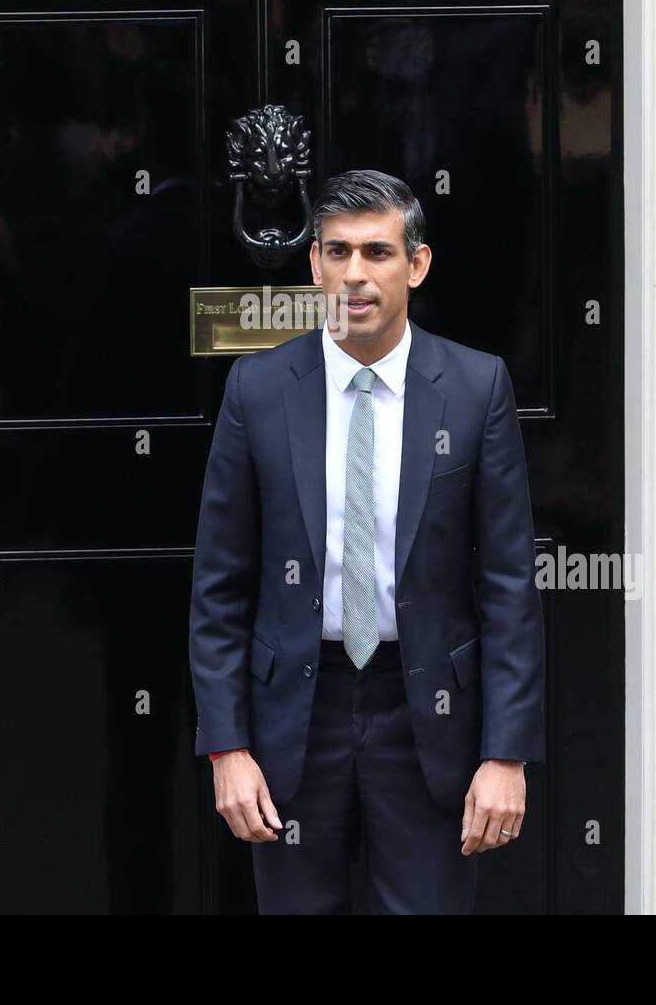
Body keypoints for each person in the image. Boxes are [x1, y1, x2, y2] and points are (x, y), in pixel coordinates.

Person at [188, 168, 545, 914]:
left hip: (426, 720)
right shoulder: (257, 391)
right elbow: (220, 585)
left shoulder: (477, 388)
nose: (356, 274)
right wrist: (226, 746)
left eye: (378, 252)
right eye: (338, 251)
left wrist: (506, 753)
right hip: (293, 717)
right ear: (314, 264)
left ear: (416, 264)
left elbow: (509, 583)